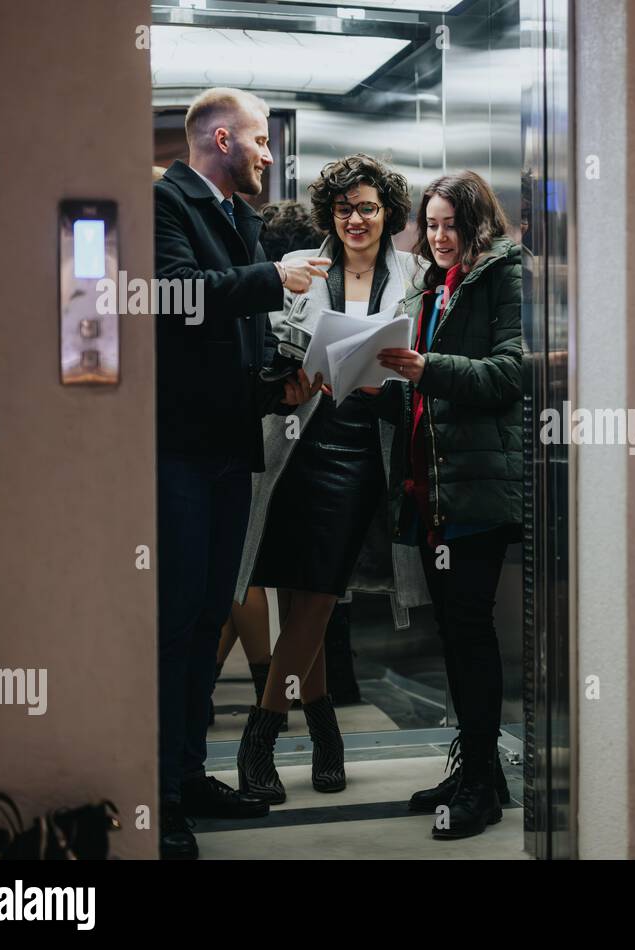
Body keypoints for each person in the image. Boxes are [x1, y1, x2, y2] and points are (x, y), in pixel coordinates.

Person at [154, 86, 326, 860]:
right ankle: (157, 792)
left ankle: (188, 777)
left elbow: (229, 348)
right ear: (221, 139)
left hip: (229, 448)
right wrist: (270, 278)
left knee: (203, 622)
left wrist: (275, 387)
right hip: (180, 450)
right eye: (259, 140)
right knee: (176, 622)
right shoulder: (168, 204)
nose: (266, 153)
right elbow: (173, 298)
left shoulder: (237, 218)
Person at [233, 154, 431, 803]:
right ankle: (325, 735)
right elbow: (267, 356)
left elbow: (429, 364)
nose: (355, 218)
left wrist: (405, 370)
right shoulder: (304, 274)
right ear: (331, 214)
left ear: (389, 215)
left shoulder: (415, 277)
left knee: (319, 595)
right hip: (300, 444)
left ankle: (259, 737)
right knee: (299, 595)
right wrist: (286, 384)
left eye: (368, 207)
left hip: (362, 450)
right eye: (345, 207)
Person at [373, 170, 523, 839]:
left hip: (480, 487)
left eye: (449, 225)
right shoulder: (432, 287)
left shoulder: (503, 279)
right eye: (430, 225)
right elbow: (419, 383)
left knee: (469, 628)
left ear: (476, 224)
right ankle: (474, 770)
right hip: (431, 484)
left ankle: (484, 787)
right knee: (453, 634)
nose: (438, 237)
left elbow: (512, 373)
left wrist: (425, 368)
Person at [210, 201, 325, 725]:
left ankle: (237, 687)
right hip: (274, 429)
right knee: (251, 566)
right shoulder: (283, 292)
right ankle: (268, 690)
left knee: (247, 563)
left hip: (260, 429)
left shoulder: (257, 293)